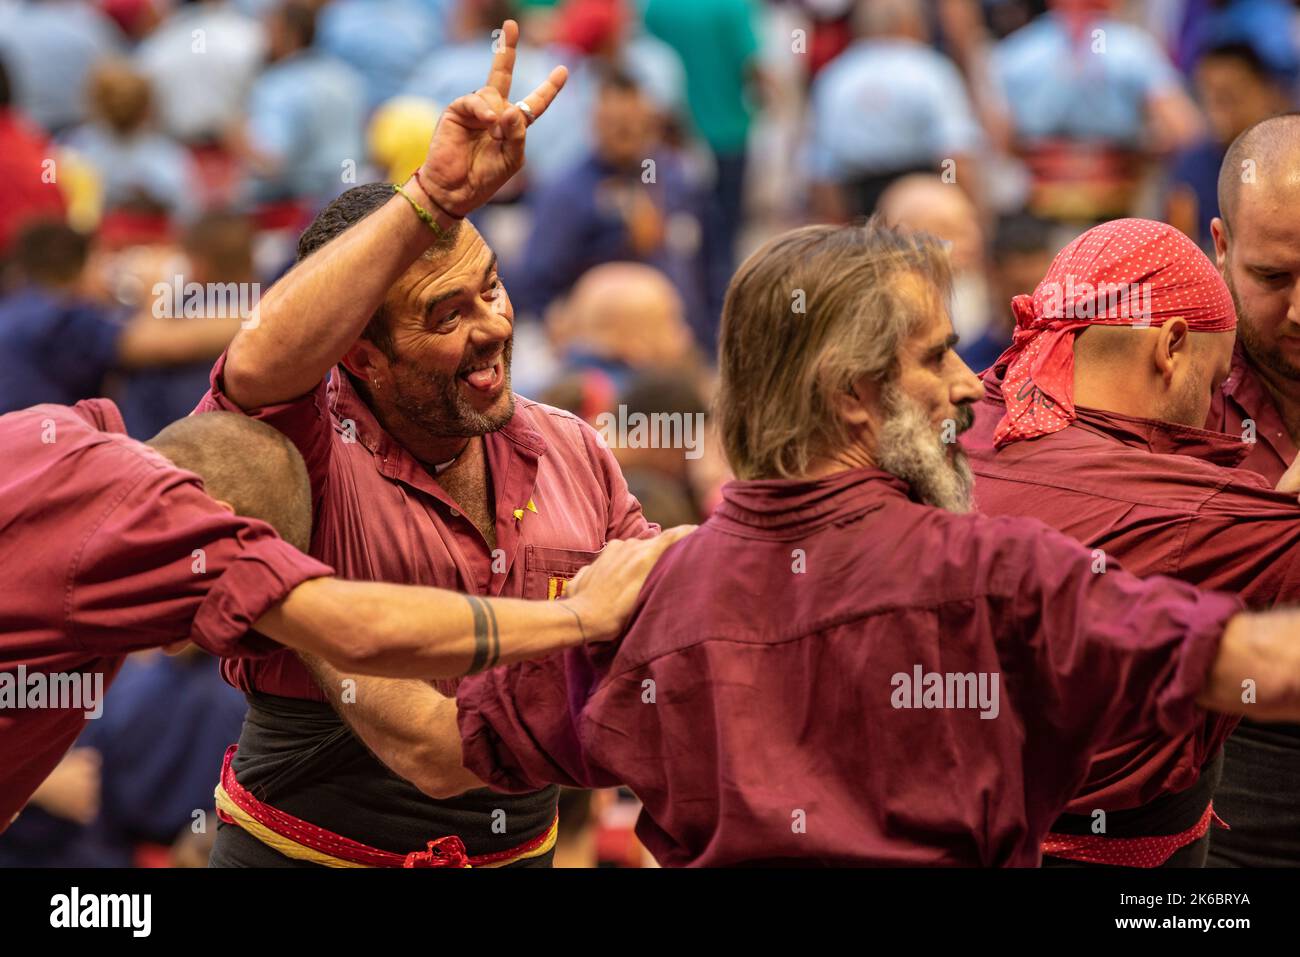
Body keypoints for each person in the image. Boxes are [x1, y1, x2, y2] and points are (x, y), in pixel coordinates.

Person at [295, 221, 1300, 866]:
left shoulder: (652, 595)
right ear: (853, 395)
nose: (971, 384)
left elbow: (439, 747)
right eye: (936, 354)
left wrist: (285, 589)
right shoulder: (1002, 574)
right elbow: (1250, 664)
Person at [195, 20, 660, 869]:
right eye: (447, 315)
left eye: (492, 290)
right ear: (361, 355)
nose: (492, 329)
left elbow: (661, 632)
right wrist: (431, 200)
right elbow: (259, 360)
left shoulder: (573, 448)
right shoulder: (299, 453)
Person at [0, 398, 685, 835]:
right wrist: (578, 619)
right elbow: (375, 660)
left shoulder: (54, 430)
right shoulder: (172, 537)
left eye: (489, 289)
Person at [964, 217, 1300, 866]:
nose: (1211, 417)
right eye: (1209, 386)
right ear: (1171, 346)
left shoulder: (945, 427)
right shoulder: (1186, 513)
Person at [1203, 112, 1300, 865]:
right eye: (1273, 278)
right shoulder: (1163, 380)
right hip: (1228, 757)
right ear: (1221, 247)